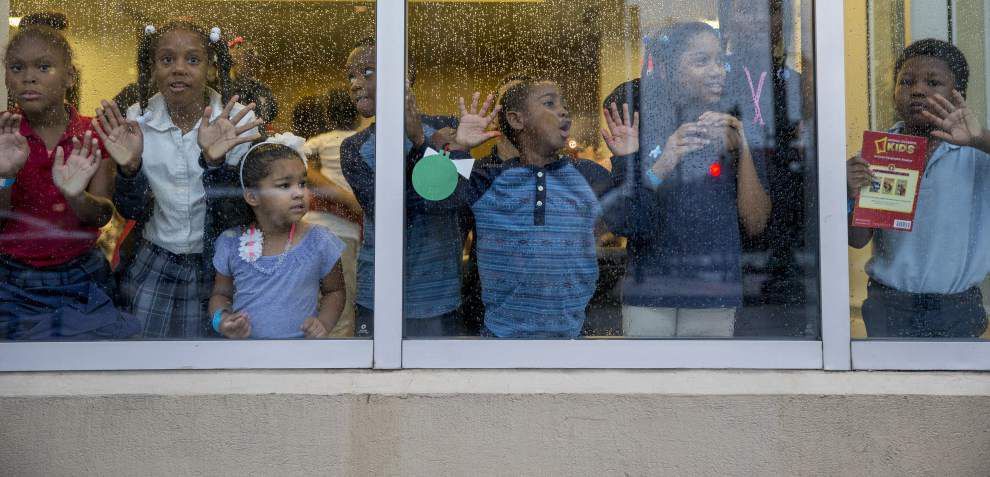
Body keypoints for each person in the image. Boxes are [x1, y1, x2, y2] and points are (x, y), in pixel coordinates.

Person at [99, 21, 263, 338]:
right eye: (166, 59)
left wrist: (214, 163)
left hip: (221, 268)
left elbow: (243, 214)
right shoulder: (136, 120)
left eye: (192, 60)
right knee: (145, 355)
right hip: (155, 260)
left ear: (211, 68)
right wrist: (129, 168)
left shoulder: (236, 120)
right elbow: (130, 210)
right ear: (152, 68)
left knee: (216, 360)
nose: (178, 69)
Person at [609, 21, 771, 338]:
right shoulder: (639, 123)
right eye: (701, 61)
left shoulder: (736, 126)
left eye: (720, 60)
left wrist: (743, 146)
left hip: (715, 288)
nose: (717, 71)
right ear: (667, 71)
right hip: (651, 288)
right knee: (648, 383)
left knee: (707, 382)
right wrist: (666, 158)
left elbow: (756, 222)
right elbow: (625, 219)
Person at [435, 84, 626, 338]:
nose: (563, 112)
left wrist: (626, 160)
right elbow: (432, 197)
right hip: (500, 339)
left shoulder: (587, 175)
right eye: (550, 104)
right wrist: (458, 147)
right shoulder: (488, 179)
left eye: (565, 106)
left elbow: (632, 221)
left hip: (571, 338)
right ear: (516, 120)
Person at [0, 25, 139, 339]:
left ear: (70, 77)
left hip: (79, 275)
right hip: (10, 279)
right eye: (17, 67)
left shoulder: (90, 134)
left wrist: (75, 195)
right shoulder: (4, 134)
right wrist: (4, 178)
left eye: (44, 67)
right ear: (7, 77)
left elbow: (103, 216)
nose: (28, 77)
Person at [847, 39, 990, 338]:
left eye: (933, 82)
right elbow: (858, 240)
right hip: (890, 304)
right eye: (906, 82)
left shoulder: (977, 155)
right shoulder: (882, 151)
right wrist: (851, 193)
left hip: (957, 308)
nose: (918, 90)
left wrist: (979, 139)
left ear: (957, 93)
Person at [340, 38, 464, 337]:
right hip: (378, 292)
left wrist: (420, 141)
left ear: (403, 76)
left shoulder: (448, 130)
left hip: (437, 293)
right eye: (350, 76)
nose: (355, 83)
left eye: (367, 72)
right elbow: (388, 209)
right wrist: (424, 151)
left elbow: (449, 199)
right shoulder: (354, 148)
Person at [717, 0, 814, 337]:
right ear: (726, 20)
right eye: (746, 8)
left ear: (782, 22)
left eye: (770, 9)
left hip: (788, 248)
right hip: (721, 243)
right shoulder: (712, 77)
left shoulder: (800, 84)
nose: (759, 18)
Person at [208, 135, 346, 339]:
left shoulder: (319, 241)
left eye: (302, 183)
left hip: (300, 357)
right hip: (244, 357)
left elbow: (335, 291)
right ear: (252, 196)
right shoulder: (230, 242)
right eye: (284, 186)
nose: (299, 193)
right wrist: (222, 320)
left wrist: (323, 323)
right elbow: (221, 295)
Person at [294, 92, 362, 336]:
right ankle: (339, 359)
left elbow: (302, 169)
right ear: (356, 115)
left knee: (307, 302)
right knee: (342, 307)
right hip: (345, 233)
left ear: (328, 115)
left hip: (310, 229)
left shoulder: (317, 141)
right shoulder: (362, 141)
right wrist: (351, 202)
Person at [228, 38, 279, 125]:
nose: (248, 63)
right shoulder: (221, 85)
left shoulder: (260, 88)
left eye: (250, 59)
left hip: (254, 133)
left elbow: (269, 114)